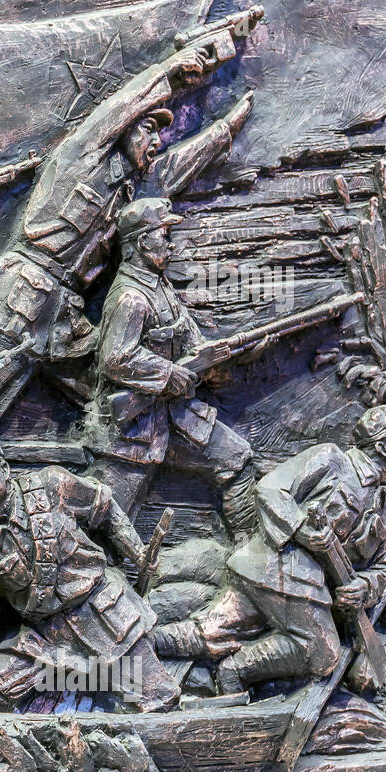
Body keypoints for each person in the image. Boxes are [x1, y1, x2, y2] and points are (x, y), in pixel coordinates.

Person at [0, 36, 254, 433]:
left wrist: (225, 129)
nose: (157, 141)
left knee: (111, 400)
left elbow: (172, 172)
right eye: (148, 130)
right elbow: (116, 110)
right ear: (125, 130)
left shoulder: (128, 190)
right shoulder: (81, 159)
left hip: (63, 317)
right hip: (17, 301)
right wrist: (170, 71)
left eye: (159, 136)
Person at [155, 404, 386, 695]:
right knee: (322, 651)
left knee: (210, 631)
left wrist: (364, 587)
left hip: (302, 592)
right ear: (383, 445)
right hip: (278, 567)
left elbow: (381, 568)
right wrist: (301, 529)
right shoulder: (332, 459)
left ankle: (141, 645)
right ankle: (235, 669)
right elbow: (271, 488)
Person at [0, 434, 180, 712]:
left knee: (156, 699)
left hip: (103, 616)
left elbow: (104, 506)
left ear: (3, 469)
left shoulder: (52, 484)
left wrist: (137, 553)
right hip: (46, 635)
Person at [85, 197, 256, 540]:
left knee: (236, 459)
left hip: (175, 418)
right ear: (141, 242)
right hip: (132, 432)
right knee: (104, 522)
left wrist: (235, 353)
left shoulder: (161, 287)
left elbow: (192, 342)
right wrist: (169, 373)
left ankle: (249, 554)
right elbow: (115, 358)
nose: (171, 243)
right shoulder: (130, 297)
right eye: (164, 234)